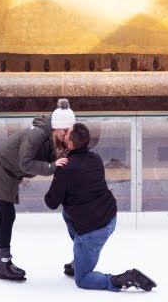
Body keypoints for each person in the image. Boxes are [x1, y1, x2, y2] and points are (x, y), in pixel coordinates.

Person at [45, 122, 156, 292]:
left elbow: (51, 202)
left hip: (93, 230)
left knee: (83, 279)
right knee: (67, 212)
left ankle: (123, 279)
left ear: (70, 144)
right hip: (110, 217)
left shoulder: (66, 169)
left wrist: (56, 173)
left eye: (67, 133)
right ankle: (79, 258)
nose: (64, 132)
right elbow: (82, 185)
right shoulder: (95, 158)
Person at [0, 98, 77, 281]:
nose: (67, 135)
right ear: (57, 128)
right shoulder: (38, 134)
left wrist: (58, 155)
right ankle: (3, 263)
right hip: (0, 171)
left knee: (3, 215)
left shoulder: (51, 135)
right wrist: (52, 166)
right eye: (65, 131)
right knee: (8, 215)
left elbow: (43, 156)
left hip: (7, 173)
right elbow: (26, 163)